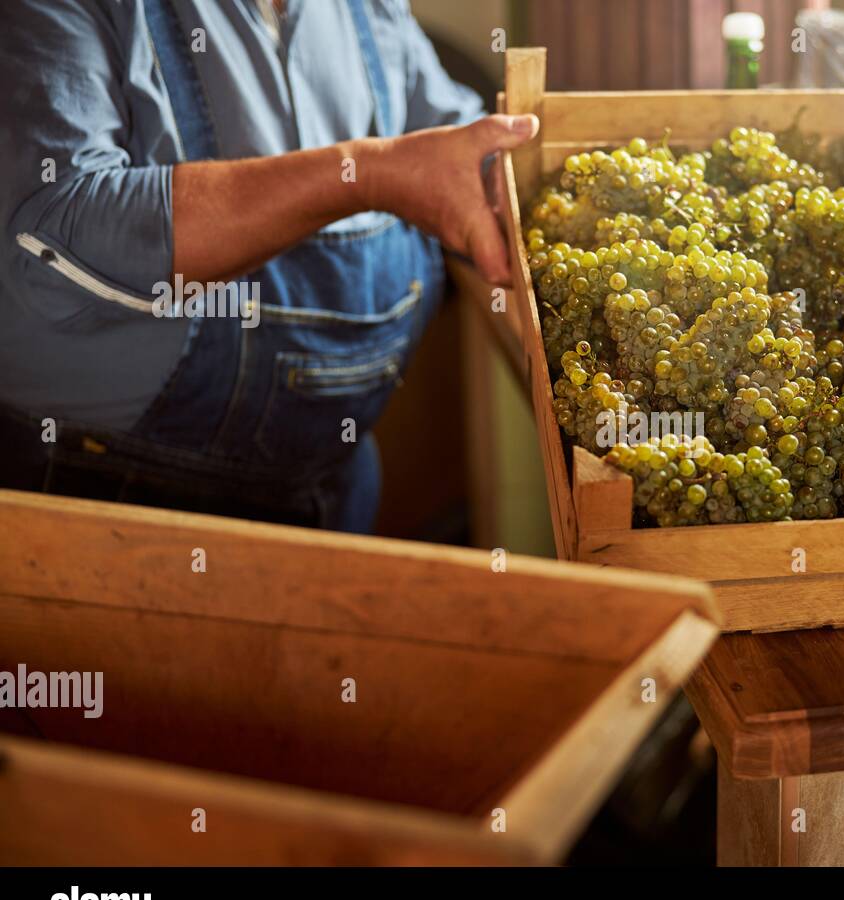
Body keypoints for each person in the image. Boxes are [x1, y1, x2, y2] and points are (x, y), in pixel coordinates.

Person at [0, 0, 538, 532]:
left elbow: (460, 139)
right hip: (111, 495)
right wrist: (369, 175)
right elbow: (55, 235)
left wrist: (512, 178)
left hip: (332, 484)